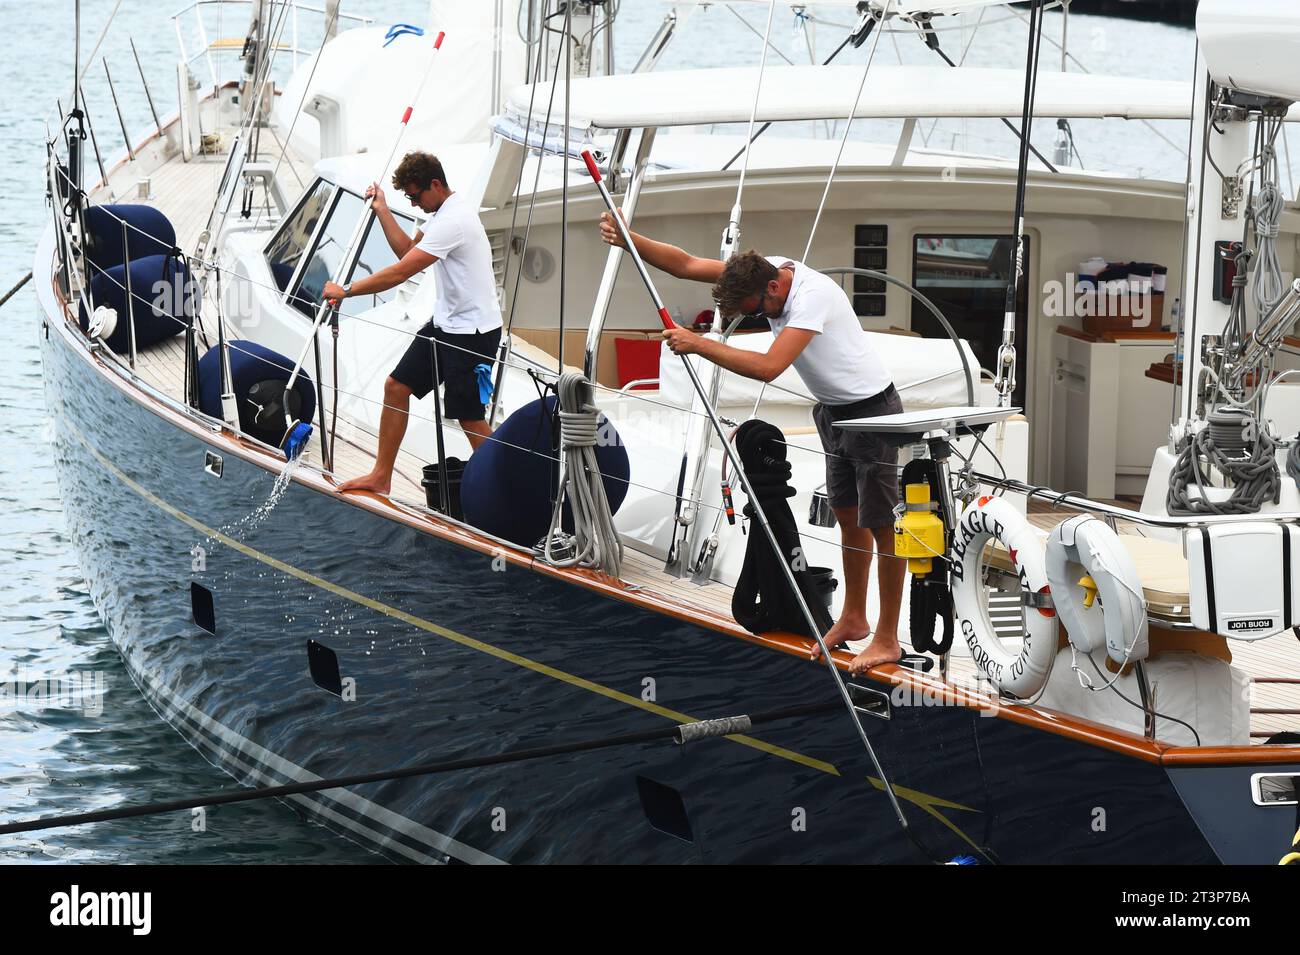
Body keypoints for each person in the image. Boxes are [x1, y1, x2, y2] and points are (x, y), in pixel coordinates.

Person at [599, 212, 905, 675]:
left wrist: (698, 344)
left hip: (873, 415)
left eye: (758, 310)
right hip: (833, 412)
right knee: (847, 517)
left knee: (882, 526)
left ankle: (887, 638)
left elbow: (769, 368)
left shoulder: (811, 297)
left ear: (774, 289)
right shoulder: (763, 270)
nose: (759, 316)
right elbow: (684, 264)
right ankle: (855, 616)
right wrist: (628, 239)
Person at [324, 151, 502, 496]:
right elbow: (407, 252)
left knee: (468, 416)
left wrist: (346, 290)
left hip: (473, 334)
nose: (415, 203)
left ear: (435, 184)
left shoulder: (454, 221)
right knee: (396, 387)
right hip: (448, 325)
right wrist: (383, 210)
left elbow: (403, 272)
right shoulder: (440, 215)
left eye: (416, 196)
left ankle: (508, 486)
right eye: (409, 197)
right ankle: (381, 475)